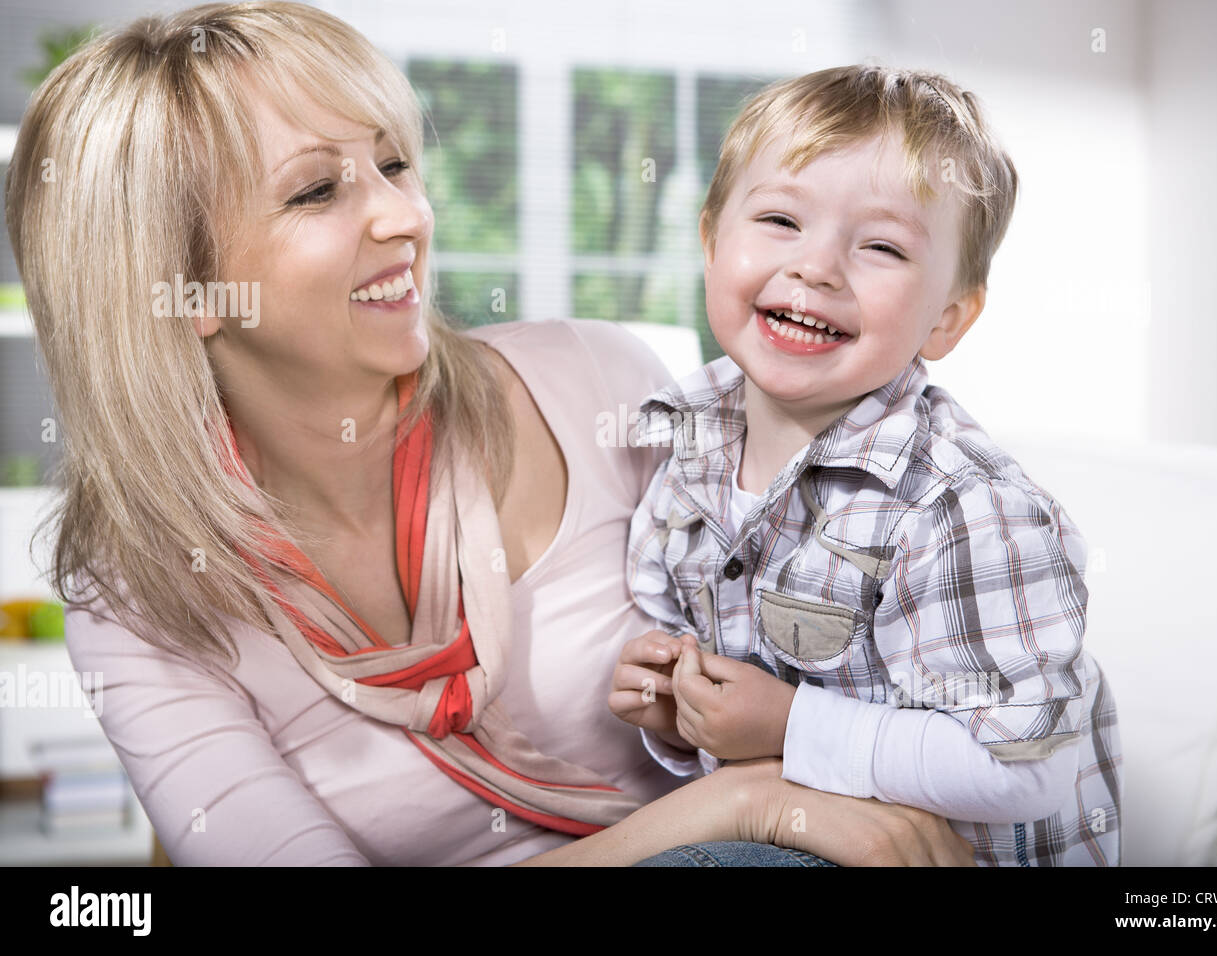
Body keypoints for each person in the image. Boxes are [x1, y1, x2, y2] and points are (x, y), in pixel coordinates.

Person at [3, 3, 977, 866]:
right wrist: (741, 806)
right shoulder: (133, 587)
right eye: (316, 192)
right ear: (184, 289)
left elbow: (843, 675)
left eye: (391, 162)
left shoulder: (601, 382)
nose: (405, 213)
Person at [613, 66, 1122, 866]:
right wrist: (680, 711)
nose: (817, 267)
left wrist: (789, 725)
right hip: (784, 829)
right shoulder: (683, 452)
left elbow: (1025, 769)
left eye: (881, 246)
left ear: (946, 318)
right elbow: (719, 722)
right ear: (711, 242)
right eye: (781, 219)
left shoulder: (964, 505)